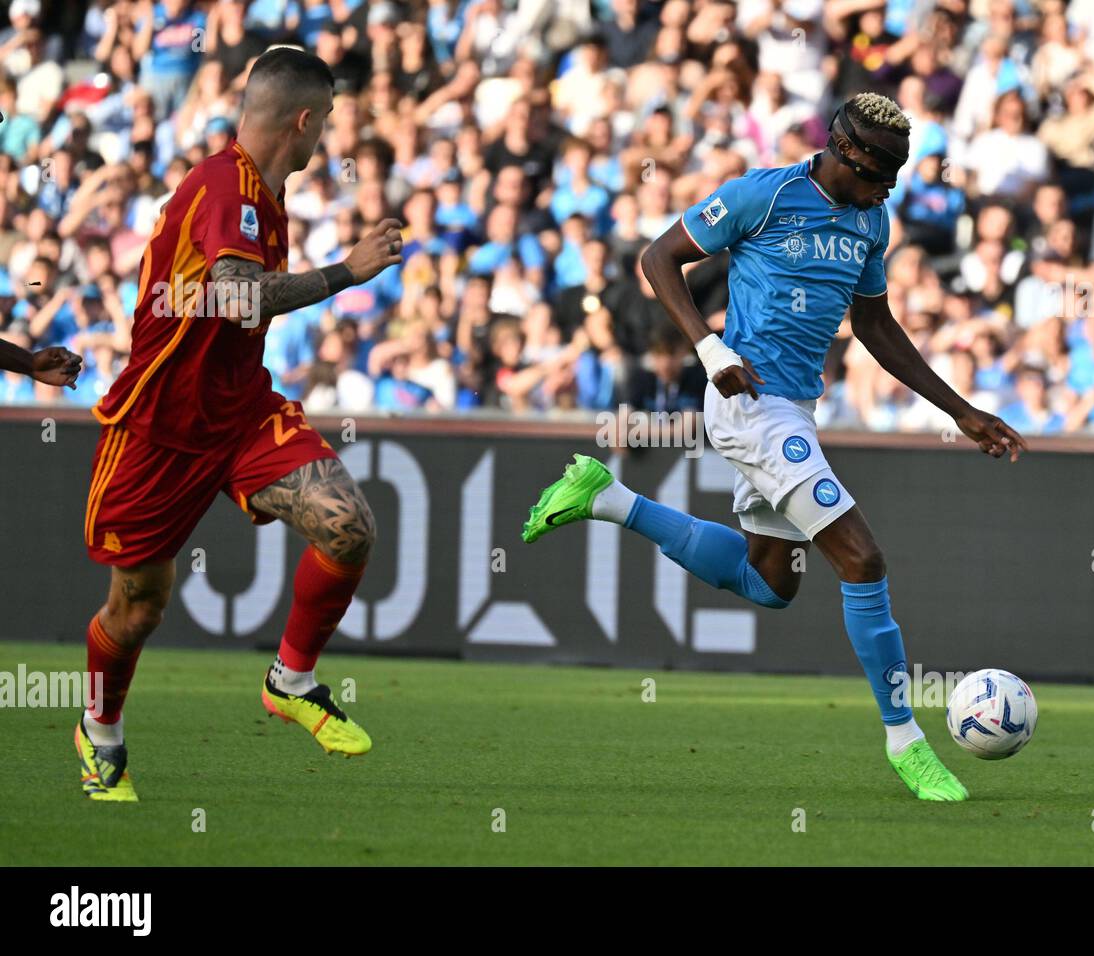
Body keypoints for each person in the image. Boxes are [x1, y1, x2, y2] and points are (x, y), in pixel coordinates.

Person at [519, 92, 1028, 802]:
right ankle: (905, 741)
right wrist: (707, 347)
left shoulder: (870, 220)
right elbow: (658, 257)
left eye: (896, 174)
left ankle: (607, 498)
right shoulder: (767, 192)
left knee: (769, 584)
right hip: (748, 403)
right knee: (864, 558)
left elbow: (876, 329)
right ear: (846, 151)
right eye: (881, 170)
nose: (889, 187)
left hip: (794, 411)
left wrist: (961, 410)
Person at [76, 48, 405, 802]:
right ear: (305, 118)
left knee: (347, 526)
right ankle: (100, 732)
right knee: (138, 609)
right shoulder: (226, 186)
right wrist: (346, 273)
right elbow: (234, 297)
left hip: (239, 411)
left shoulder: (259, 191)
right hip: (160, 428)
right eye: (324, 121)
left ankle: (290, 679)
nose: (325, 138)